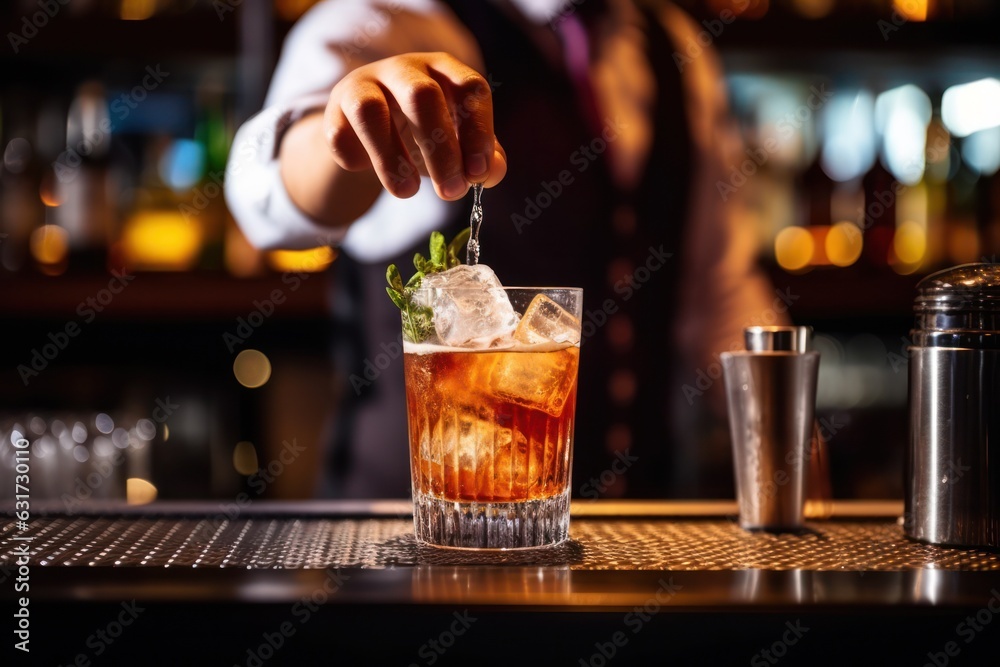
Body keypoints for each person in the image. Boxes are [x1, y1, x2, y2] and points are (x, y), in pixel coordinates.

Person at [225, 0, 780, 499]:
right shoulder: (387, 18)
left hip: (629, 521)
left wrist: (783, 442)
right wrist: (344, 135)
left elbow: (718, 289)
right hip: (409, 531)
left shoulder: (675, 43)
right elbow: (265, 202)